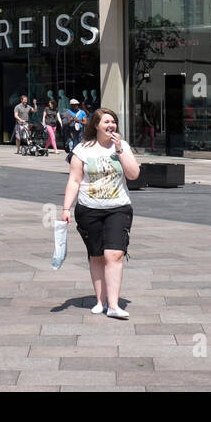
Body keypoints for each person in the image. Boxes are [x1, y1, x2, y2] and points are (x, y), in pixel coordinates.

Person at [59, 108, 141, 319]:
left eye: (113, 122)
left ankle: (113, 305)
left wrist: (120, 149)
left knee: (114, 254)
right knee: (96, 256)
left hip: (118, 208)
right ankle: (100, 301)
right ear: (95, 125)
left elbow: (134, 174)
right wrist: (66, 208)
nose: (110, 125)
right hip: (89, 210)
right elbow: (74, 181)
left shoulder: (122, 147)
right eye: (106, 122)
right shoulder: (82, 150)